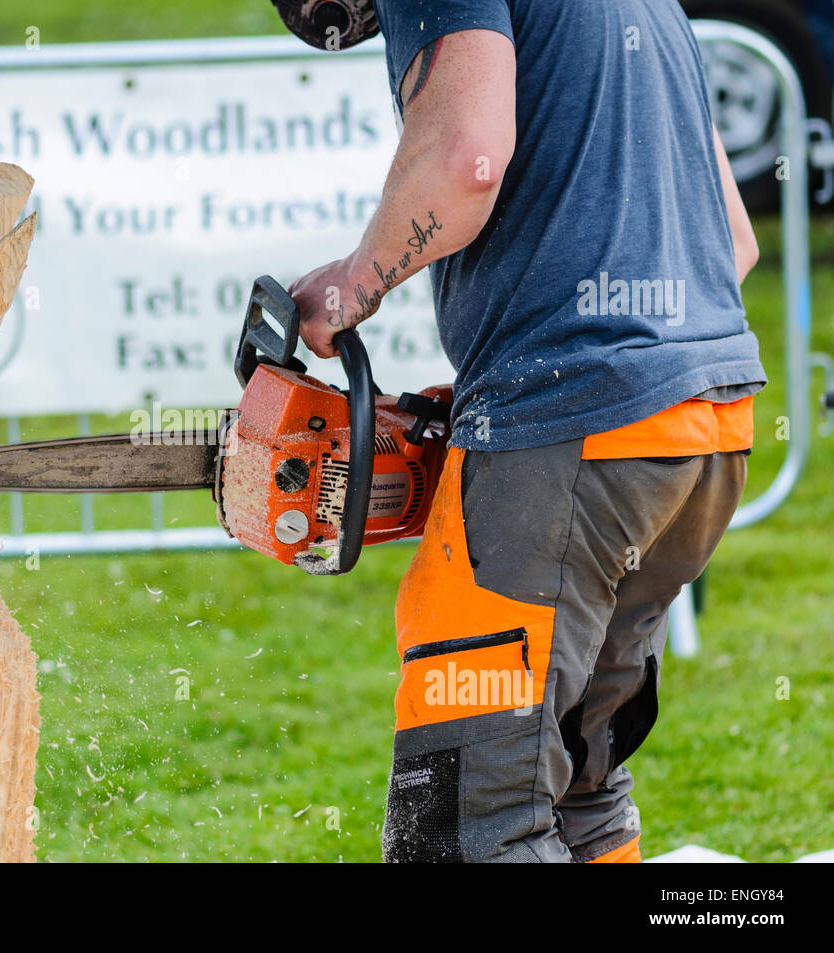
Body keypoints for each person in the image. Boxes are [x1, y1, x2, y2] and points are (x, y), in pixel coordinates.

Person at [282, 0, 766, 862]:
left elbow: (467, 160)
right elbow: (731, 240)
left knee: (471, 821)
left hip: (577, 426)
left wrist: (353, 286)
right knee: (581, 788)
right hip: (704, 422)